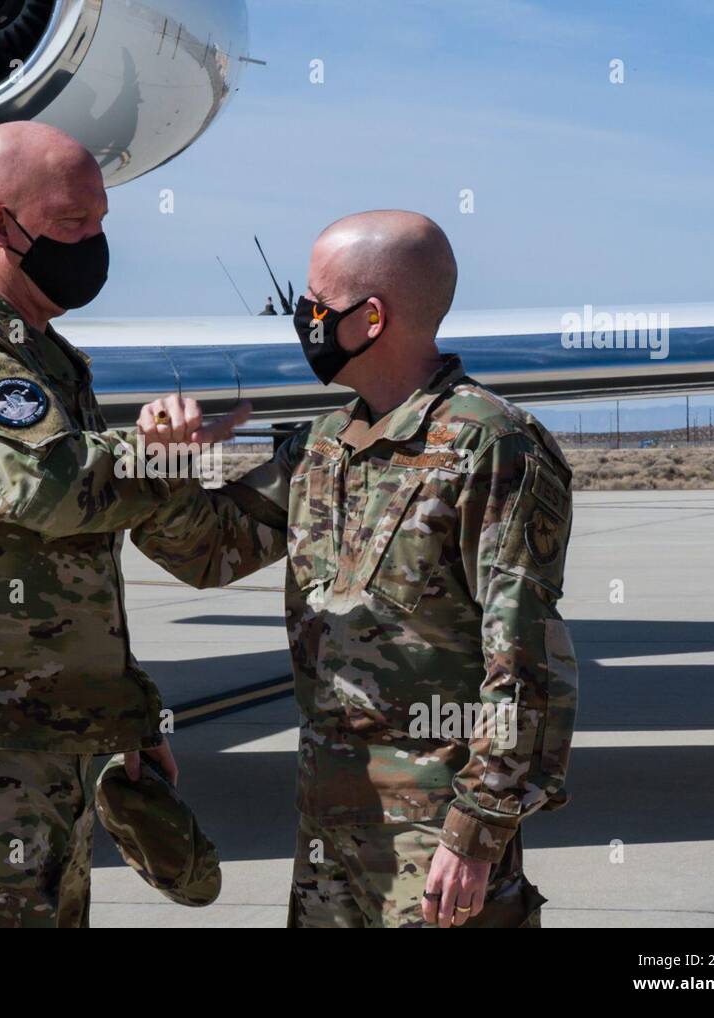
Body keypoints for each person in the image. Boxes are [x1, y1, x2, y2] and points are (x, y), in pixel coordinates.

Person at [0, 121, 244, 928]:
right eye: (72, 226)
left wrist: (121, 717)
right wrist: (158, 455)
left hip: (36, 755)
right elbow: (45, 489)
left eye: (100, 222)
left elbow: (65, 570)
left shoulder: (42, 357)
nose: (94, 243)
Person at [132, 210, 578, 928]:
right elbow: (208, 552)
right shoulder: (323, 445)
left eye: (316, 301)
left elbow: (527, 659)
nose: (301, 316)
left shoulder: (492, 445)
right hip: (328, 831)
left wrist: (478, 831)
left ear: (371, 317)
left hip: (434, 839)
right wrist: (165, 466)